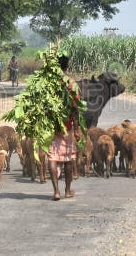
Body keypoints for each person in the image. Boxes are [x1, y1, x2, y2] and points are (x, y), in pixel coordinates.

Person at [47, 53, 82, 201]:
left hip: (50, 126)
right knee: (68, 159)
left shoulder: (47, 83)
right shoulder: (71, 83)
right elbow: (75, 107)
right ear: (67, 66)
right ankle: (67, 190)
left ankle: (56, 191)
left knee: (52, 158)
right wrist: (77, 127)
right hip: (67, 126)